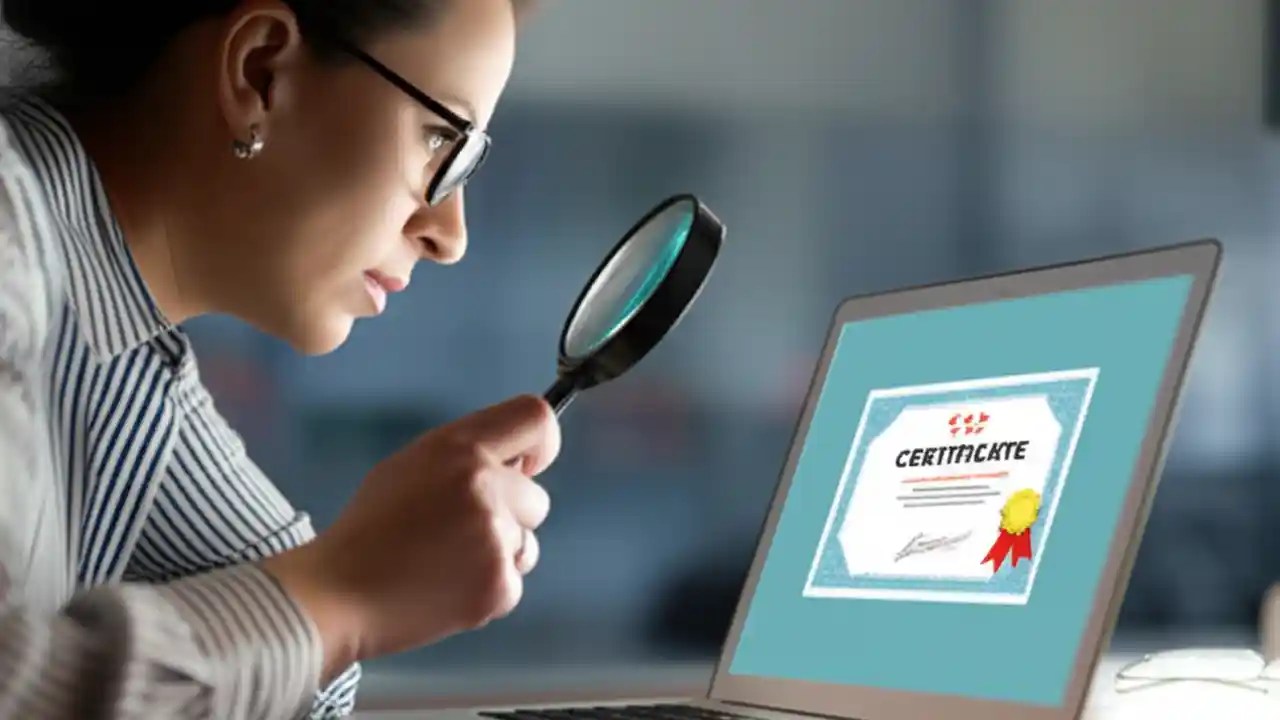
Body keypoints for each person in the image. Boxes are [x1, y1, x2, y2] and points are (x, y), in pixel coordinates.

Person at [0, 0, 557, 717]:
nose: (450, 233)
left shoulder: (129, 375)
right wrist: (347, 592)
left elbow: (307, 684)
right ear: (259, 71)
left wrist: (343, 593)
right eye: (438, 140)